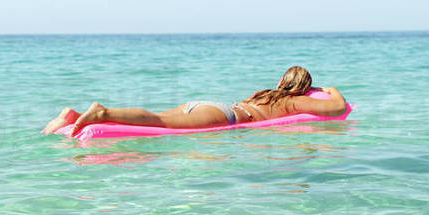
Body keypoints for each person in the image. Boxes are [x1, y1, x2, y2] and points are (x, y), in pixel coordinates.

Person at [43, 65, 347, 136]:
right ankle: (102, 112)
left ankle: (73, 116)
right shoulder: (293, 102)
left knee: (156, 117)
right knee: (158, 122)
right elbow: (336, 108)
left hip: (208, 104)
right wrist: (331, 89)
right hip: (224, 116)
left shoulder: (265, 94)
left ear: (281, 81)